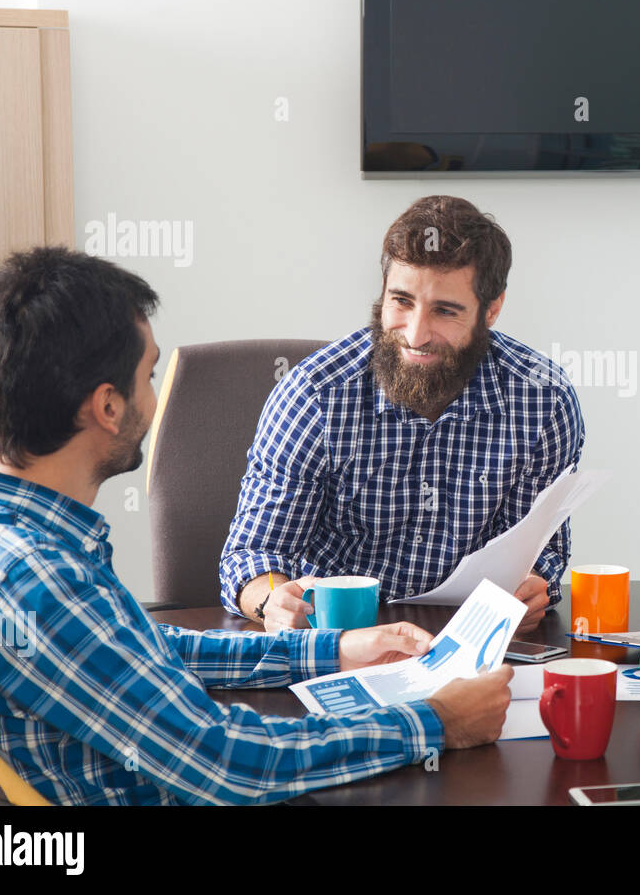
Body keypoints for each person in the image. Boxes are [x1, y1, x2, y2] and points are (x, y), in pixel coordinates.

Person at [0, 247, 512, 805]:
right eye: (149, 375)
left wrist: (328, 651)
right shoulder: (40, 580)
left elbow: (135, 649)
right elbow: (228, 763)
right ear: (108, 408)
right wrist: (435, 723)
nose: (155, 398)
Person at [220, 196, 584, 634]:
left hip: (471, 640)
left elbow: (541, 554)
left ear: (491, 310)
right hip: (342, 641)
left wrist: (534, 587)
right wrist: (271, 601)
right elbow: (251, 558)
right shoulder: (315, 394)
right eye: (401, 301)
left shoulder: (543, 400)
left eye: (445, 311)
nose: (415, 334)